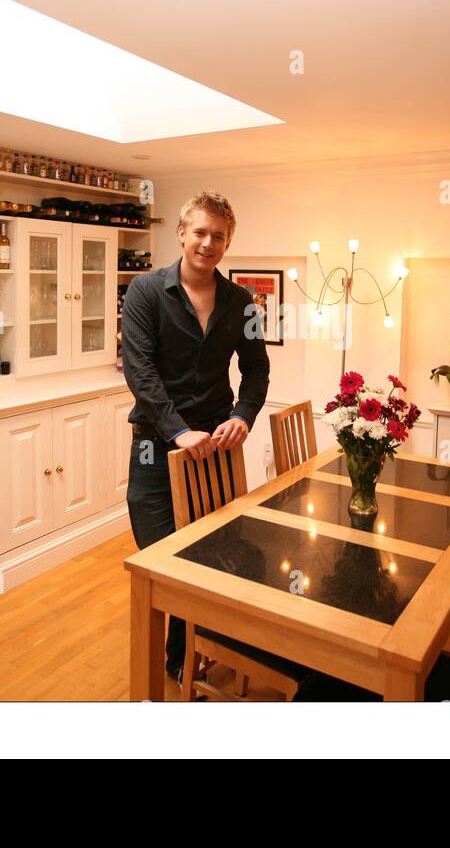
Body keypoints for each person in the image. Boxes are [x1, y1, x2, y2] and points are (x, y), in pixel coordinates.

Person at [121, 191, 270, 682]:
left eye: (219, 236)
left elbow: (256, 371)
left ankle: (186, 657)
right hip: (155, 448)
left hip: (216, 450)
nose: (208, 243)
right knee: (164, 562)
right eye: (200, 232)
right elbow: (140, 371)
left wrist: (243, 416)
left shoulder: (241, 302)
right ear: (182, 232)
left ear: (228, 243)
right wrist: (177, 431)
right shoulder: (144, 292)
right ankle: (175, 659)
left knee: (214, 555)